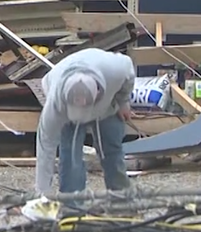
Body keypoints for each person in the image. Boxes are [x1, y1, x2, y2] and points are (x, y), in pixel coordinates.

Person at [34, 47, 136, 196]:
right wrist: (42, 194)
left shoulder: (115, 70)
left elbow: (129, 71)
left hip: (107, 102)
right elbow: (45, 147)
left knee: (112, 149)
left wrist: (123, 101)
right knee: (70, 157)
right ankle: (72, 203)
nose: (82, 117)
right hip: (65, 107)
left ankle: (122, 198)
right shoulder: (55, 105)